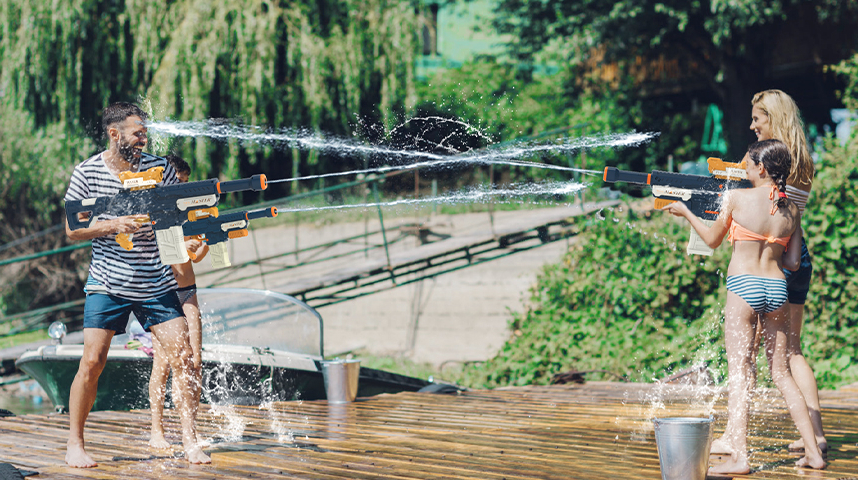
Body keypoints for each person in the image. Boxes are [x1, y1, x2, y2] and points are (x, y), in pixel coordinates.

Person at [660, 139, 825, 474]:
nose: (743, 169)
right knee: (781, 374)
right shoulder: (790, 207)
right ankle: (814, 452)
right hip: (777, 288)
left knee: (739, 372)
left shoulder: (735, 197)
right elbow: (793, 262)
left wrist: (685, 211)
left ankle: (741, 456)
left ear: (760, 168)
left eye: (747, 165)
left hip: (744, 288)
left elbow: (710, 240)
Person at [63, 103, 211, 467]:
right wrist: (113, 225)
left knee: (185, 359)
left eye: (145, 132)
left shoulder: (159, 169)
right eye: (137, 133)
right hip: (108, 283)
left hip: (155, 282)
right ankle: (75, 444)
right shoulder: (86, 173)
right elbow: (72, 229)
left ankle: (191, 442)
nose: (144, 139)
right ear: (115, 134)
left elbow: (175, 219)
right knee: (92, 361)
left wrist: (191, 242)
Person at [711, 89, 825, 456]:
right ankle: (816, 437)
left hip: (767, 260)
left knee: (746, 354)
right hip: (794, 255)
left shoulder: (767, 163)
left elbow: (753, 201)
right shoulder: (801, 160)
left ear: (772, 118)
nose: (752, 125)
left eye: (758, 117)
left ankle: (735, 436)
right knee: (791, 352)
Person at [148, 154, 209, 449]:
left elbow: (196, 255)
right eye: (177, 181)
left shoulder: (189, 211)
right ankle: (156, 430)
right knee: (164, 364)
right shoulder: (152, 210)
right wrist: (182, 246)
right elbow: (153, 254)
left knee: (195, 360)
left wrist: (201, 245)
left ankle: (191, 431)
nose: (181, 187)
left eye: (185, 182)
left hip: (188, 290)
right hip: (163, 293)